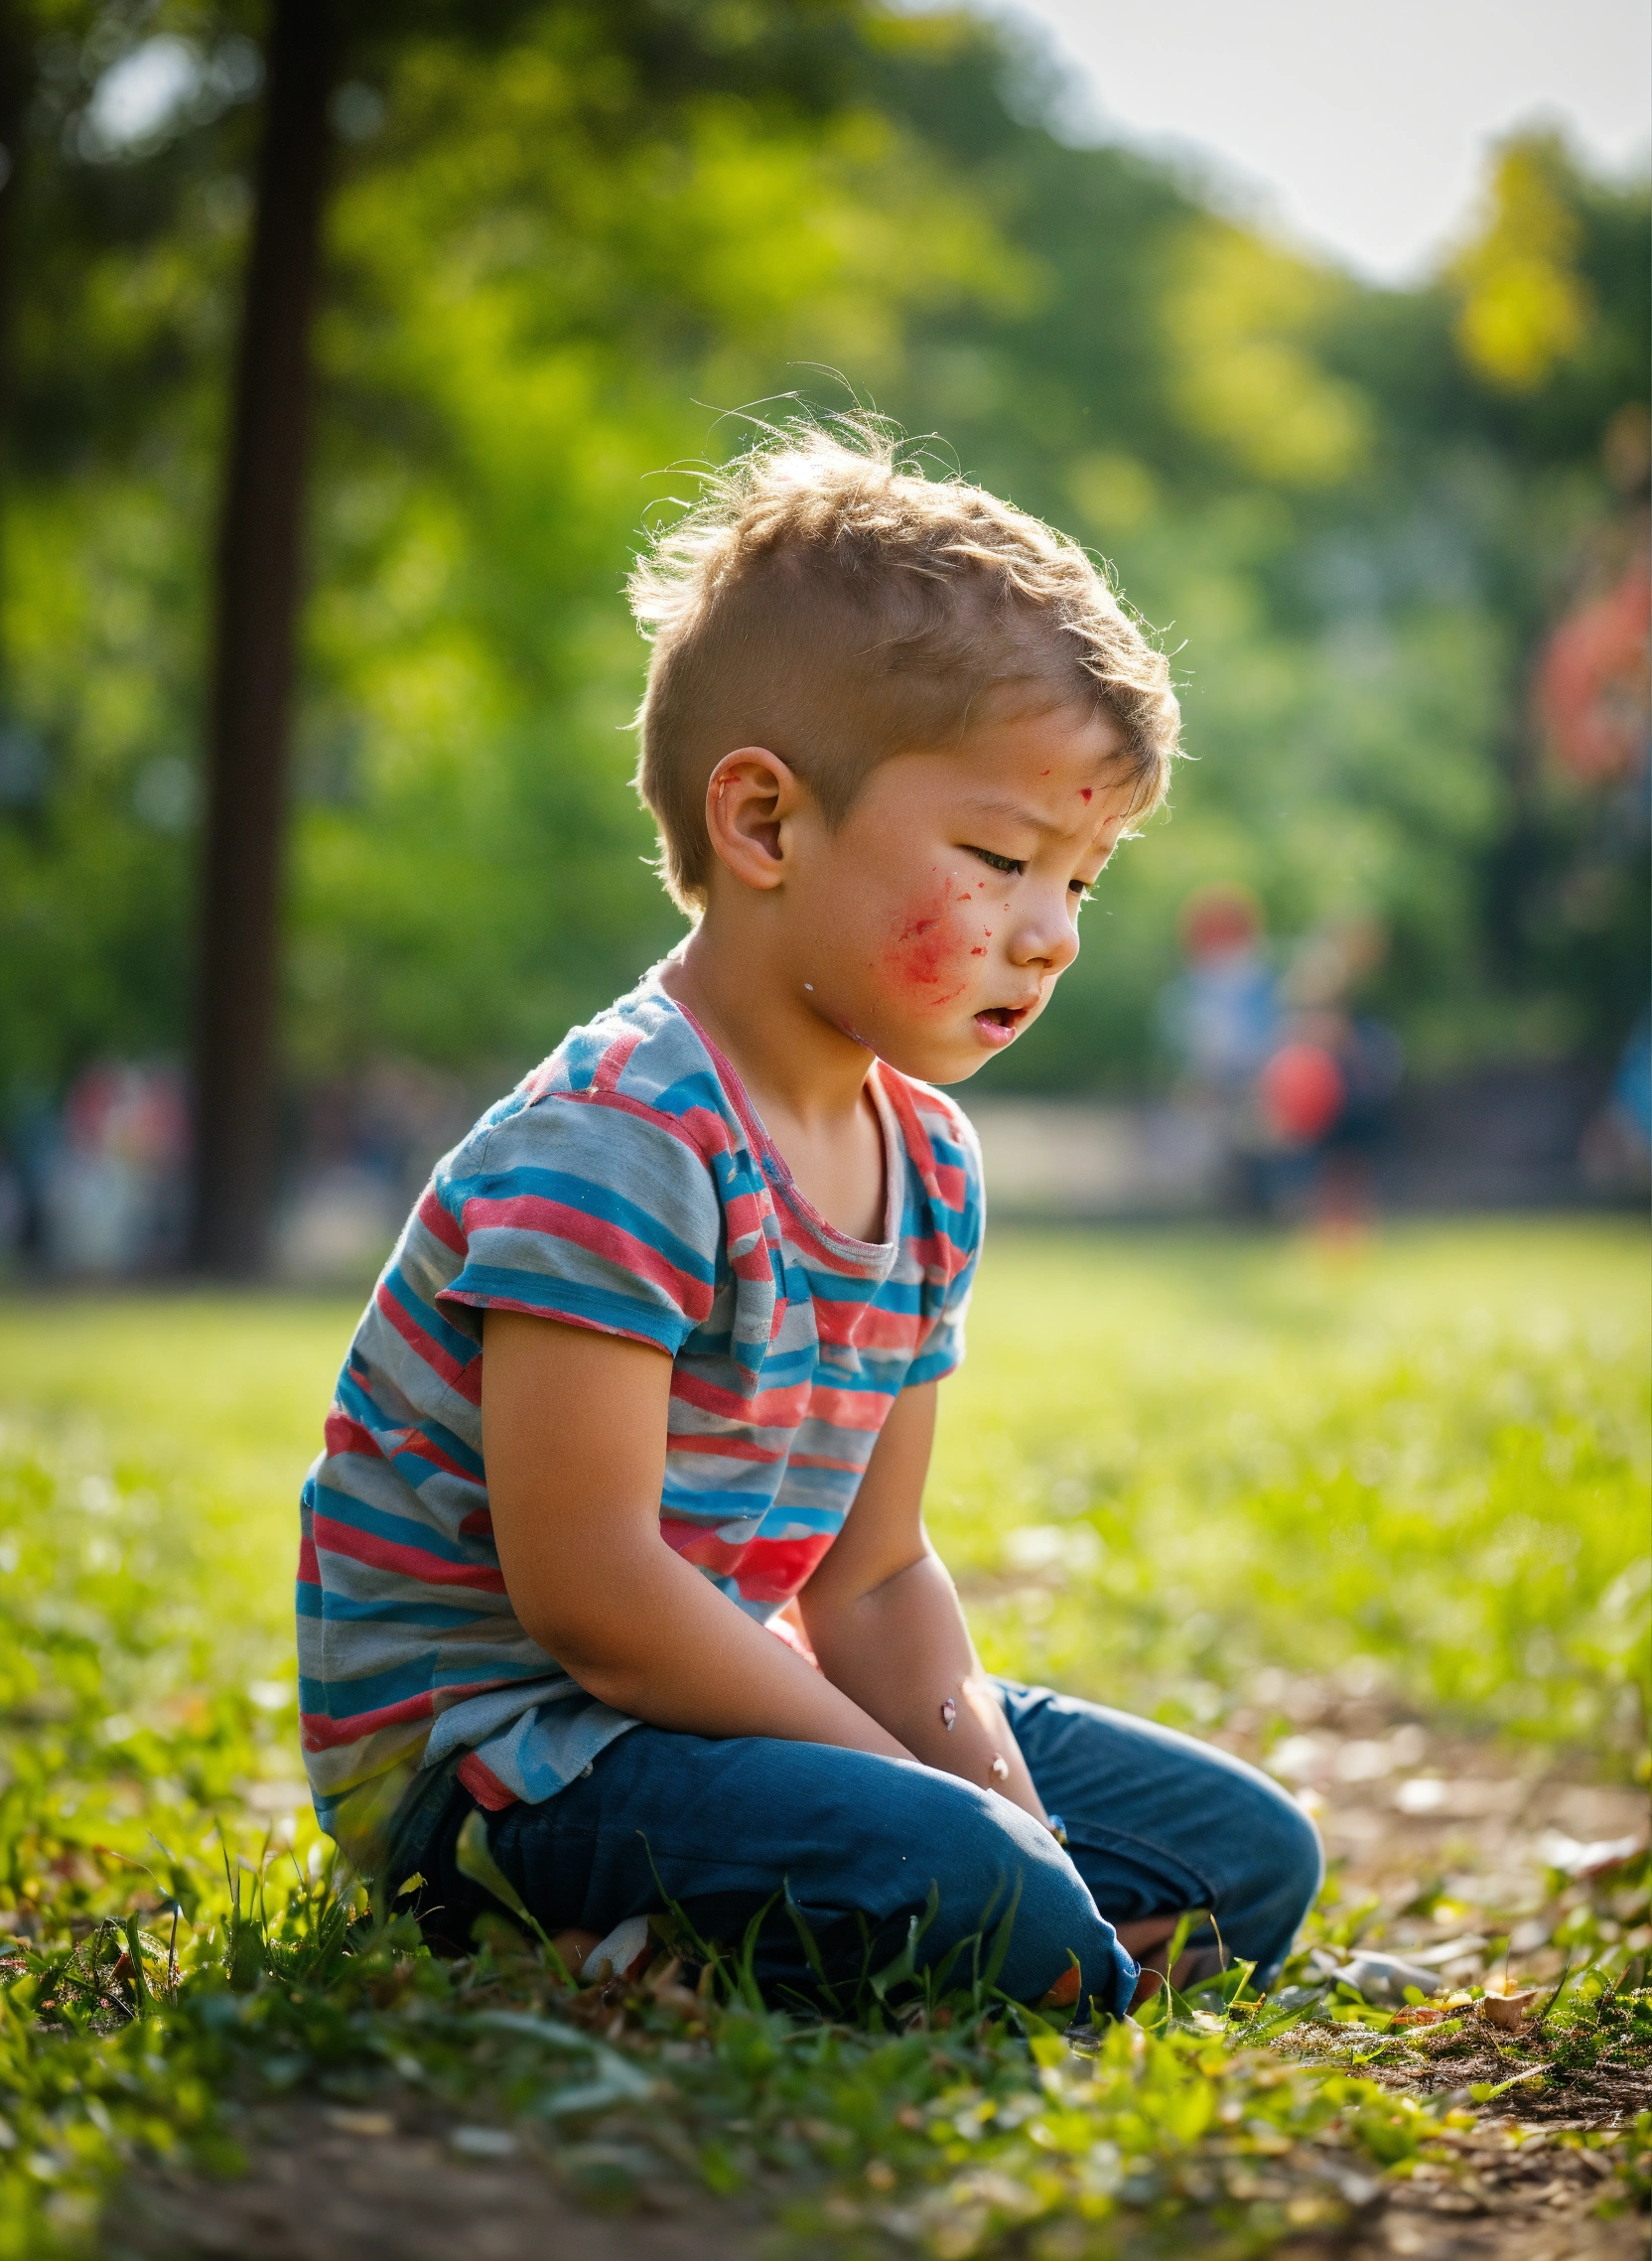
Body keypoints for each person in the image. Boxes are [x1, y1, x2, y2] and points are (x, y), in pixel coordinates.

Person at [298, 426, 1322, 2024]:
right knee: (963, 1878)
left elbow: (875, 1579)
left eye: (1086, 879)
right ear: (765, 825)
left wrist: (1004, 1808)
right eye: (1000, 859)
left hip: (718, 1709)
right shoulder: (620, 1144)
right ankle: (574, 1943)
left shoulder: (928, 1164)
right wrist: (960, 1824)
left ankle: (890, 1933)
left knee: (1252, 1860)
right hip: (504, 1762)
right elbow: (595, 1606)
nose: (1048, 936)